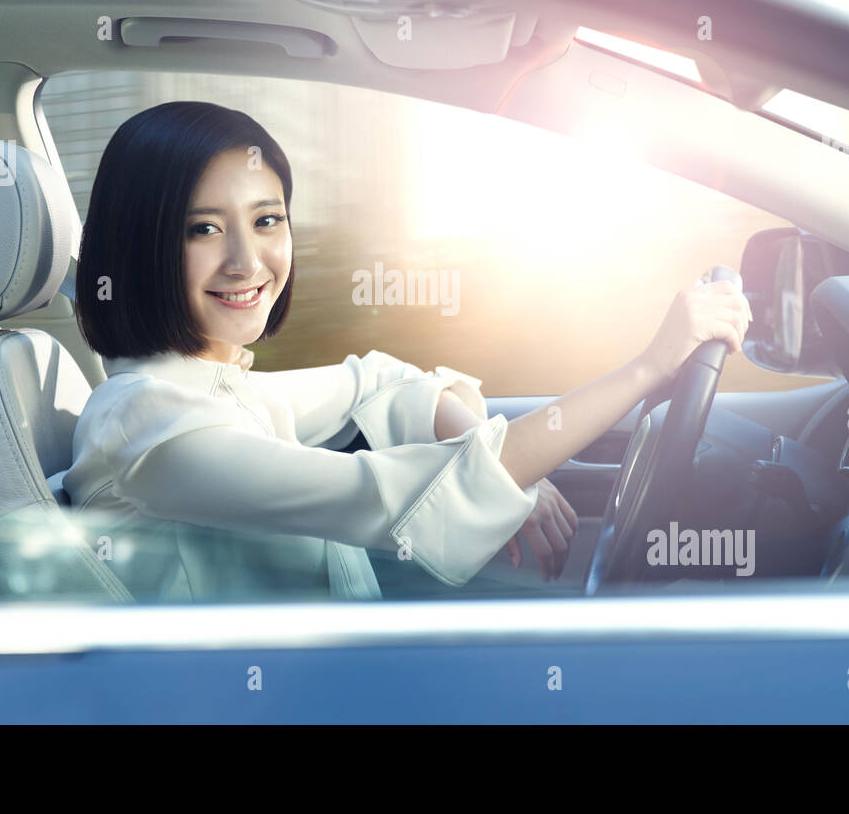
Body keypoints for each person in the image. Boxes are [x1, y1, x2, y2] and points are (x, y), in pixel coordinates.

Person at [62, 101, 751, 602]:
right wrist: (651, 366)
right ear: (140, 246)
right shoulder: (156, 428)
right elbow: (395, 495)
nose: (248, 261)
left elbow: (381, 382)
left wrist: (491, 448)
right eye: (203, 229)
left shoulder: (204, 387)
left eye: (267, 220)